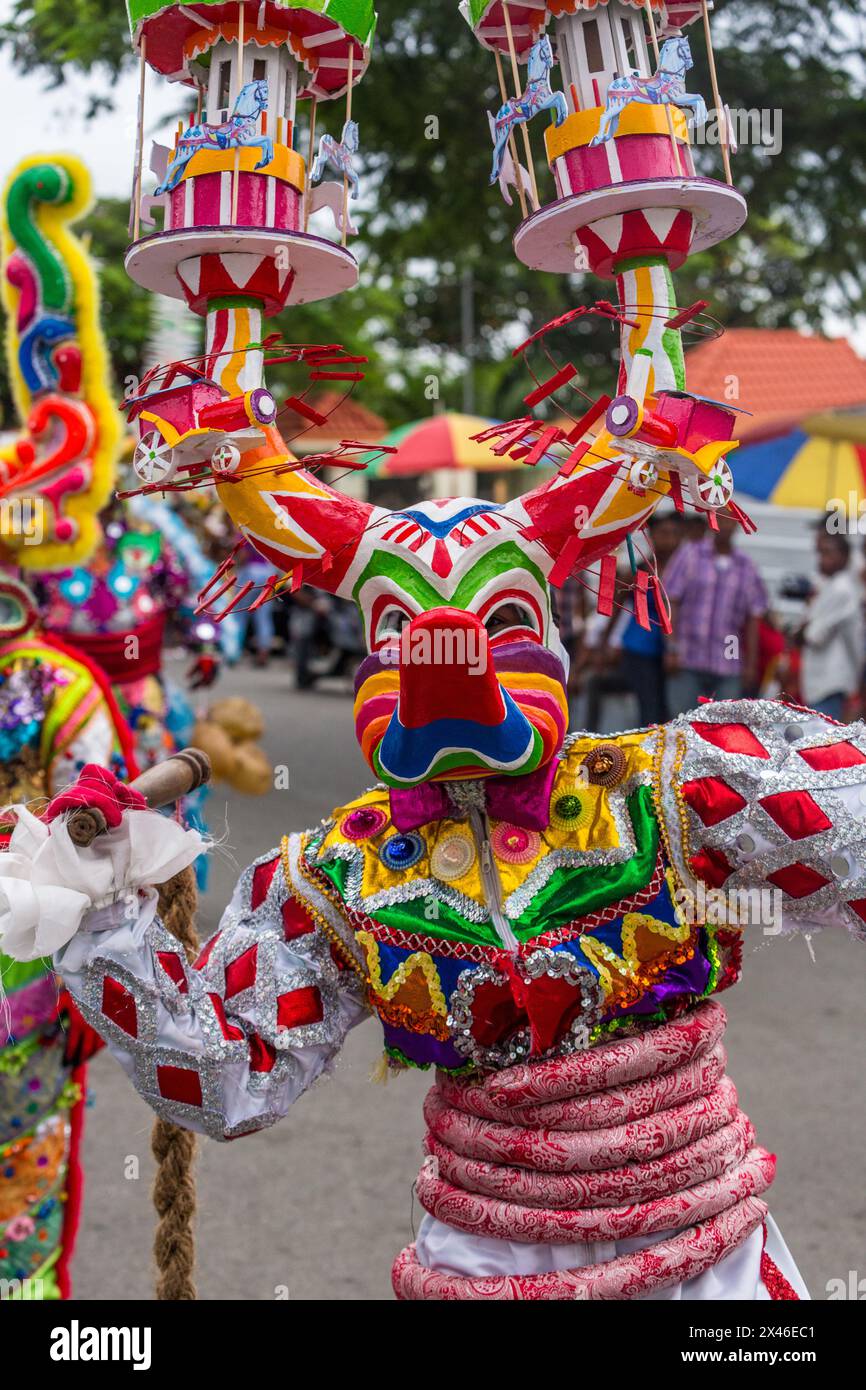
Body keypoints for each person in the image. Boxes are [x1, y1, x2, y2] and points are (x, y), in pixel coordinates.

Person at [663, 514, 769, 713]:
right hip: (687, 658)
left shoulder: (746, 565)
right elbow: (671, 600)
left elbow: (754, 617)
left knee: (723, 732)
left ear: (737, 525)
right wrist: (671, 647)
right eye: (720, 519)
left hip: (728, 662)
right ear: (711, 522)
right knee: (681, 727)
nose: (725, 525)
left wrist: (751, 665)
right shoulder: (690, 555)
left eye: (730, 520)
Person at [617, 510, 682, 725]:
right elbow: (616, 609)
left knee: (667, 708)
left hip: (669, 652)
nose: (670, 539)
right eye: (664, 533)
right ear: (652, 535)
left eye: (674, 533)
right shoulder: (640, 571)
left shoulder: (683, 571)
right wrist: (605, 642)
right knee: (649, 707)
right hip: (640, 647)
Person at [798, 529, 864, 721]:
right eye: (821, 553)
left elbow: (814, 635)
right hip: (823, 681)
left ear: (844, 556)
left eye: (828, 553)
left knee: (822, 742)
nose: (822, 559)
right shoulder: (831, 584)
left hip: (829, 682)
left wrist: (802, 630)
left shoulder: (841, 588)